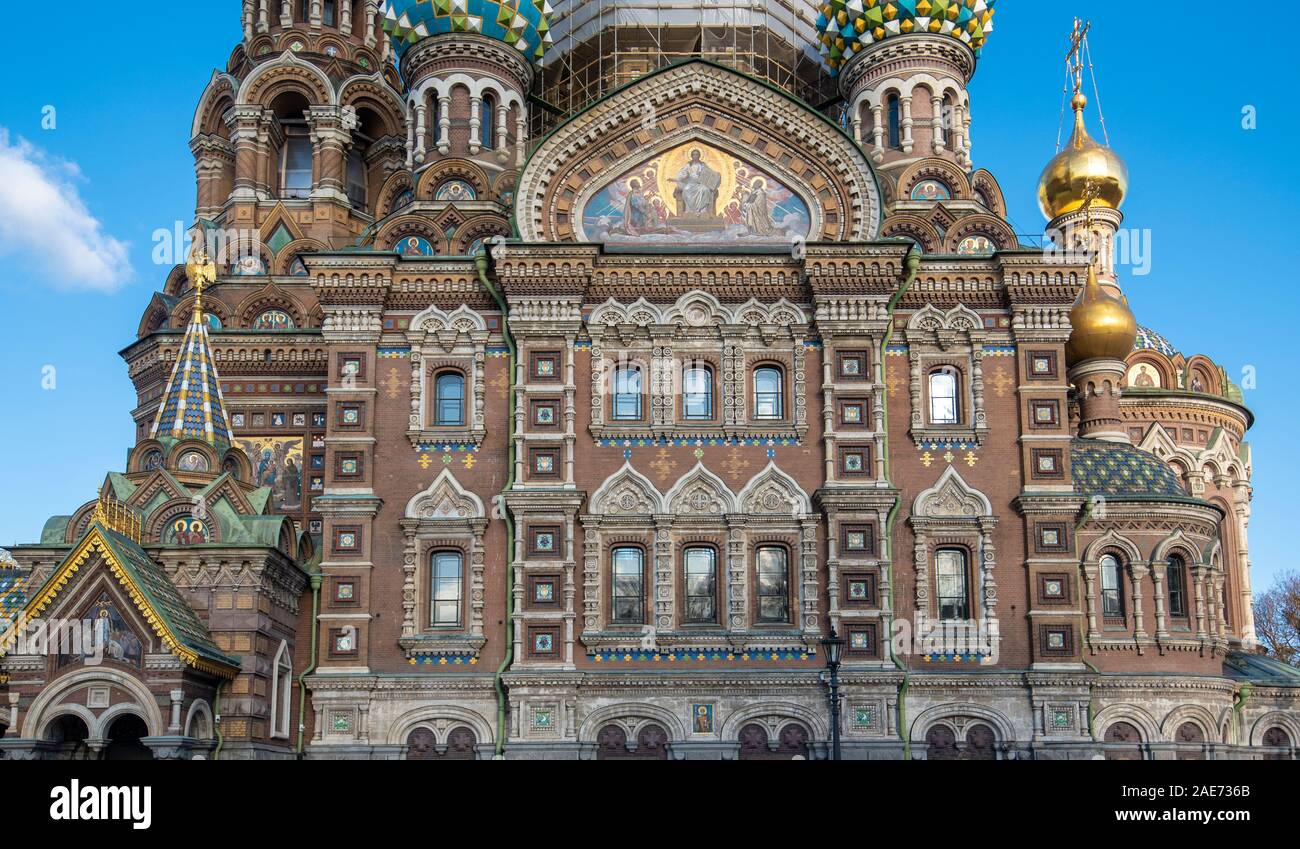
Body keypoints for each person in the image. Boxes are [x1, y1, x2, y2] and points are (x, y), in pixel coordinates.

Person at [671, 149, 721, 218]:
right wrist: (682, 177)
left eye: (697, 154)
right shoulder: (688, 165)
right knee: (686, 190)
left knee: (705, 190)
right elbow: (681, 174)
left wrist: (716, 174)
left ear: (699, 156)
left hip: (701, 184)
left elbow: (710, 173)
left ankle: (703, 211)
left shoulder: (702, 165)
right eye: (694, 154)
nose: (695, 156)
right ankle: (689, 211)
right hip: (690, 184)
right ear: (691, 156)